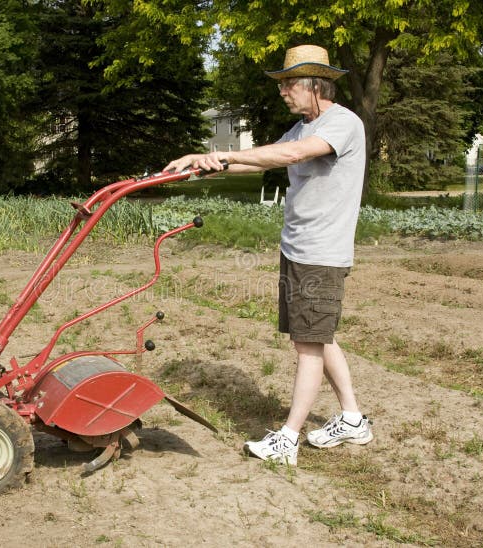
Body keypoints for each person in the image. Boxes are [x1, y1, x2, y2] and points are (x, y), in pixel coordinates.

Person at [164, 45, 372, 465]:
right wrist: (205, 163)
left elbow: (291, 156)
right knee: (315, 334)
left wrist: (227, 154)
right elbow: (262, 161)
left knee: (308, 344)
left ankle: (288, 438)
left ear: (316, 84)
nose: (283, 92)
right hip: (298, 247)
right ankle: (352, 419)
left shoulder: (343, 123)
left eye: (289, 83)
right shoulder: (301, 126)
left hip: (321, 252)